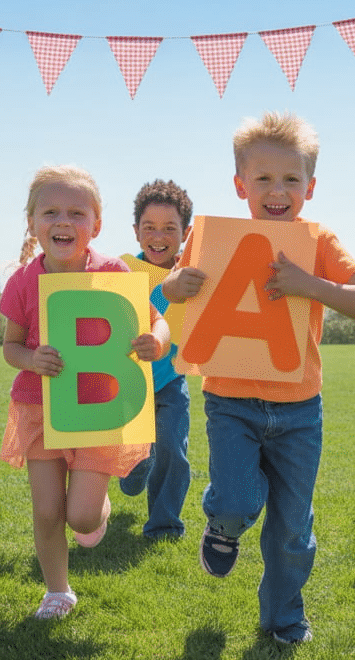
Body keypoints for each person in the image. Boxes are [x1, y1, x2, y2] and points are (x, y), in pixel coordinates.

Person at [162, 112, 355, 645]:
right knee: (238, 500)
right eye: (263, 179)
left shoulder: (320, 240)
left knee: (292, 527)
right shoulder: (210, 236)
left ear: (310, 186)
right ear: (240, 185)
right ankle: (224, 522)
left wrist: (309, 283)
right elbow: (173, 290)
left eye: (291, 179)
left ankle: (284, 617)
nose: (277, 190)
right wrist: (176, 284)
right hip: (230, 401)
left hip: (299, 410)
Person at [0, 166, 169, 620]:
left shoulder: (113, 271)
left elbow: (158, 321)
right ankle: (57, 591)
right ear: (32, 223)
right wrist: (31, 359)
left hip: (100, 410)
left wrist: (159, 342)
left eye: (77, 212)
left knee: (82, 518)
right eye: (50, 211)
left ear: (96, 224)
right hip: (40, 406)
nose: (63, 221)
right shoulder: (21, 282)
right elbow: (10, 347)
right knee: (47, 509)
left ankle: (97, 507)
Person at [117, 179, 195, 540]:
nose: (158, 236)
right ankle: (135, 466)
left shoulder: (194, 275)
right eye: (149, 227)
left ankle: (164, 525)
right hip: (129, 381)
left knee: (173, 450)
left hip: (171, 381)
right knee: (133, 474)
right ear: (136, 232)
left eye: (169, 228)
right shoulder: (122, 269)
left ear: (186, 233)